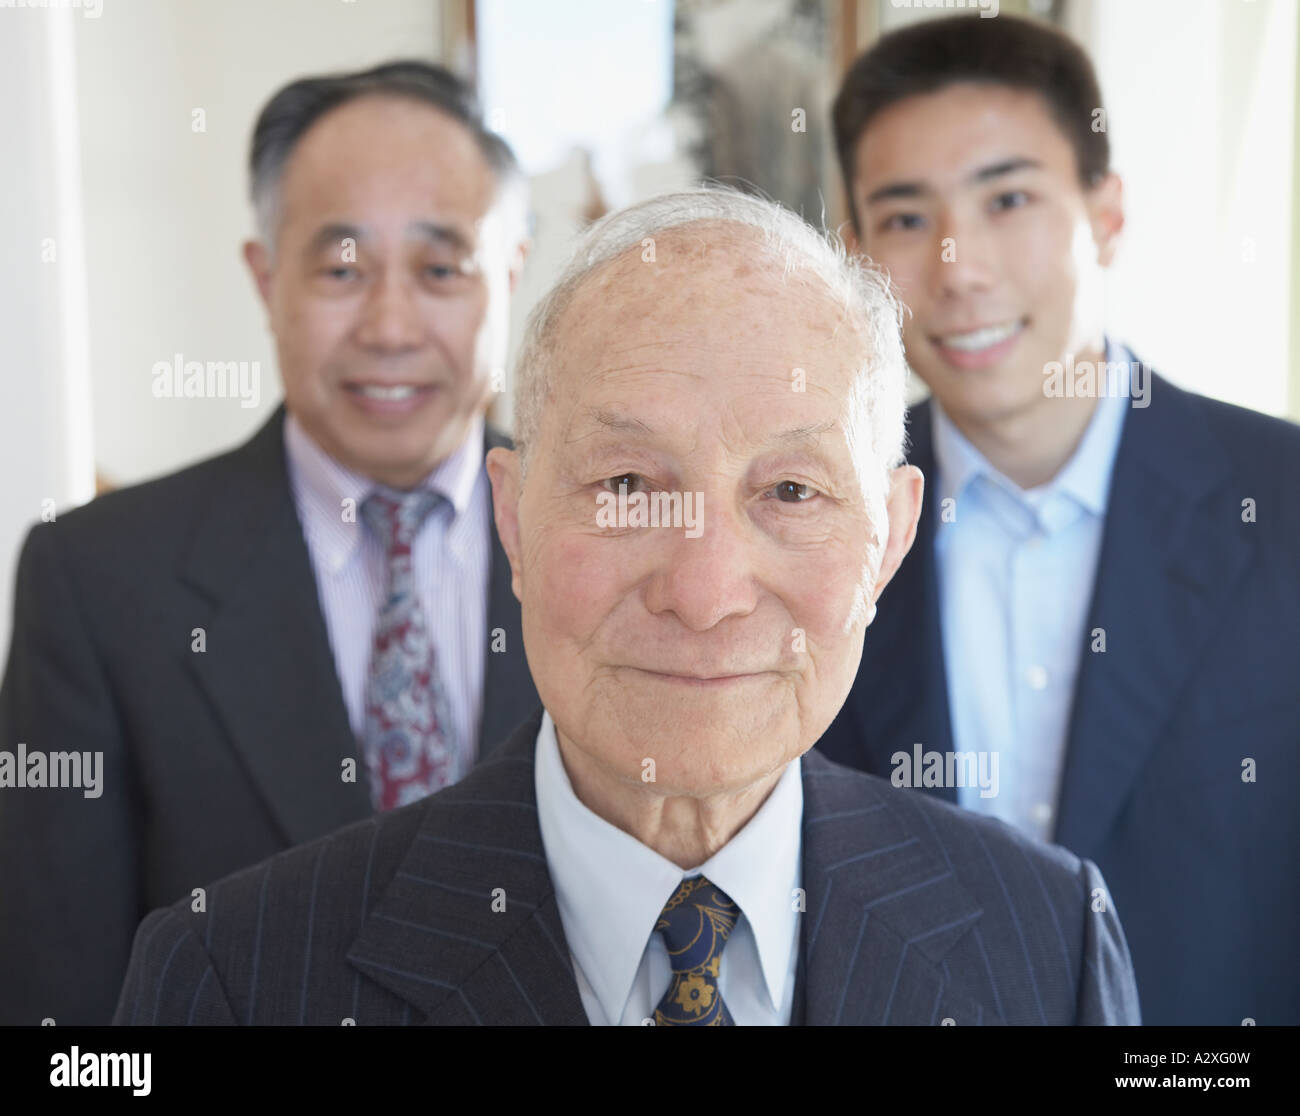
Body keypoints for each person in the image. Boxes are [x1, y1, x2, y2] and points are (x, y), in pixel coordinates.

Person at [112, 189, 1139, 1026]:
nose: (703, 593)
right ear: (511, 519)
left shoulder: (1046, 944)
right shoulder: (233, 978)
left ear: (891, 538)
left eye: (790, 492)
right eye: (627, 489)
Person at [0, 60, 539, 1025]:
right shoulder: (97, 581)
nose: (389, 325)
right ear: (264, 276)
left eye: (440, 267)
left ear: (510, 275)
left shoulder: (616, 539)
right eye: (340, 268)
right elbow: (60, 995)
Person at [818, 13, 1300, 1024]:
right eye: (905, 219)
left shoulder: (1281, 497)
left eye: (1008, 200)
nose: (958, 268)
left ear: (1106, 214)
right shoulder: (815, 517)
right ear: (855, 255)